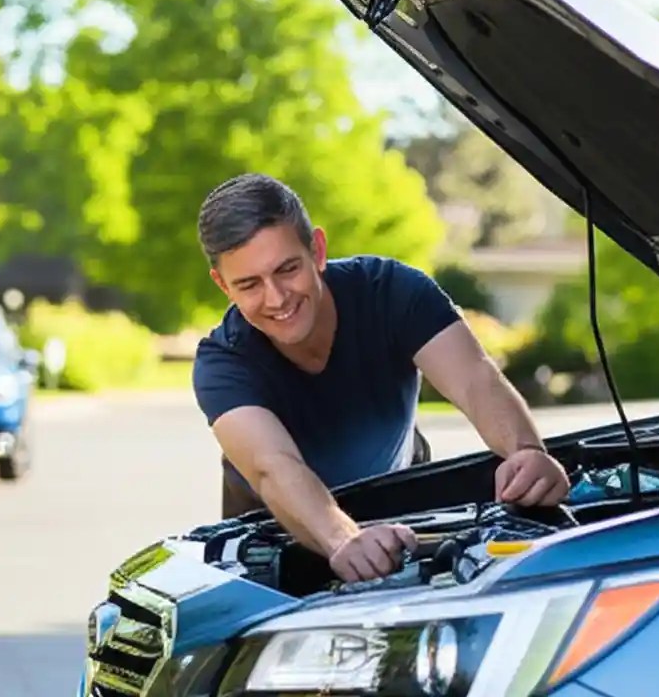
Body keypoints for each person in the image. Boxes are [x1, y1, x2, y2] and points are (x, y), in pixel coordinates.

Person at [191, 173, 570, 584]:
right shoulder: (224, 361)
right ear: (223, 285)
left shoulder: (392, 292)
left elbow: (475, 379)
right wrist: (343, 540)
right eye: (249, 284)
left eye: (287, 269)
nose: (277, 298)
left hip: (404, 528)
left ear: (317, 250)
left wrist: (526, 451)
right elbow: (273, 467)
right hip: (276, 561)